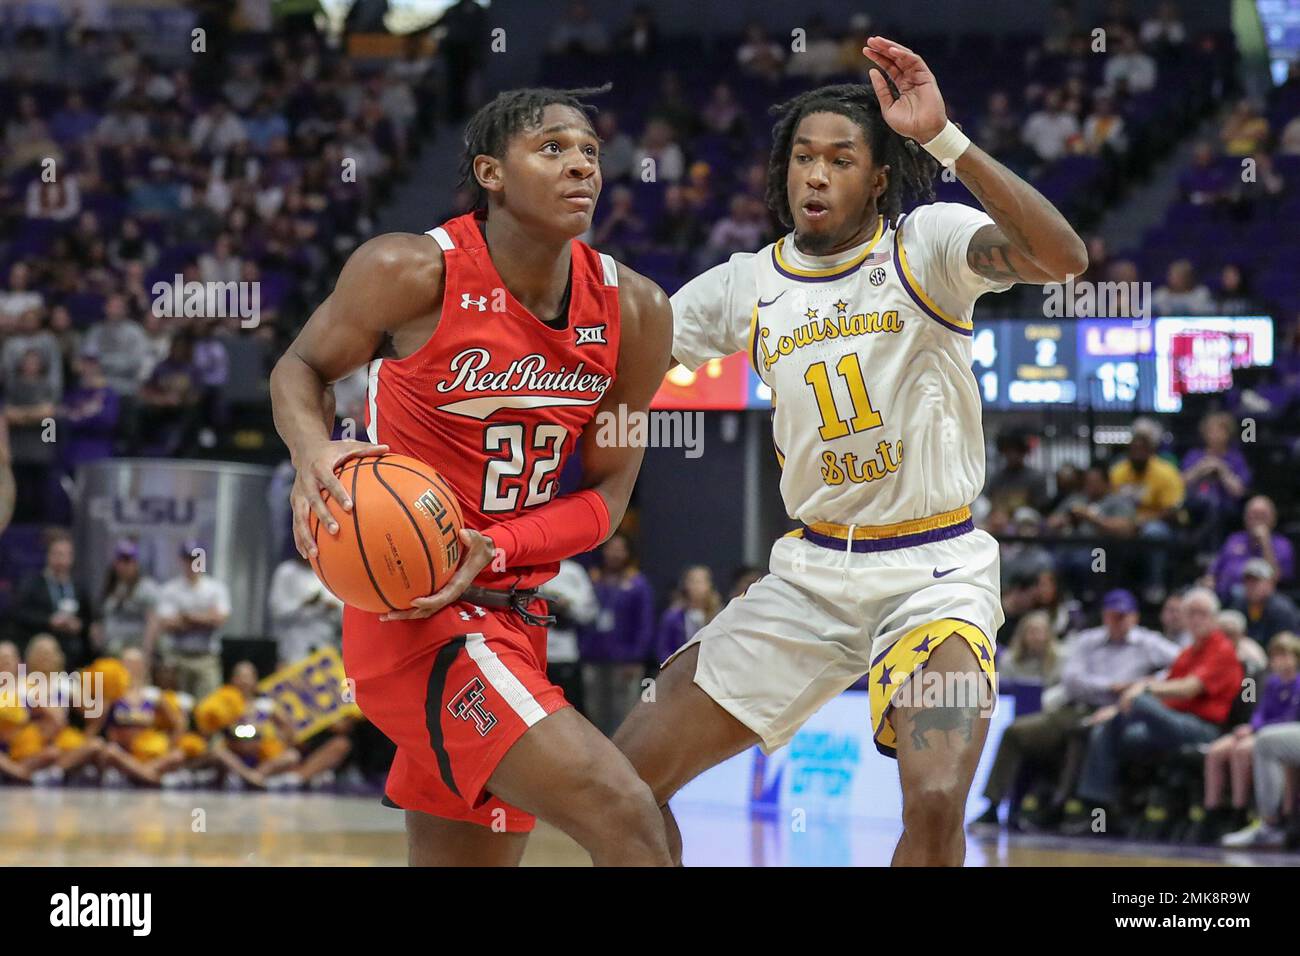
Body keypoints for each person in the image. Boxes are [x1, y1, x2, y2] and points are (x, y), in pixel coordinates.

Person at [614, 37, 1088, 867]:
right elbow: (617, 361)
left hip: (933, 572)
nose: (816, 174)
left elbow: (1062, 258)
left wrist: (946, 142)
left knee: (937, 798)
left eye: (840, 158)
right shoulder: (747, 284)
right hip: (809, 576)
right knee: (622, 783)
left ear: (877, 177)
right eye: (803, 157)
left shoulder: (927, 245)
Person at [269, 87, 674, 867]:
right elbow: (301, 366)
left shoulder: (638, 312)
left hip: (516, 618)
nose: (580, 166)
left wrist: (498, 541)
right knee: (626, 815)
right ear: (491, 171)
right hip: (413, 614)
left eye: (589, 150)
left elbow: (607, 498)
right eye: (552, 148)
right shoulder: (409, 268)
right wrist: (312, 453)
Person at [973, 590, 1178, 829]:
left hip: (1116, 714)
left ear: (1134, 617)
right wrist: (1110, 686)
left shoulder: (1148, 643)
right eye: (1113, 615)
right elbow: (1072, 679)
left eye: (1123, 616)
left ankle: (1063, 807)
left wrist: (1143, 684)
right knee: (1016, 732)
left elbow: (1182, 664)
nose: (1118, 620)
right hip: (1073, 708)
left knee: (1082, 735)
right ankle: (993, 806)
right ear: (1104, 615)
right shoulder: (1087, 640)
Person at [1070, 588, 1243, 829]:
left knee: (1139, 702)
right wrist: (1120, 709)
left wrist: (1141, 692)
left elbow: (1187, 689)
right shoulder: (1188, 653)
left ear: (1214, 618)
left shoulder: (1220, 650)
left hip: (1203, 728)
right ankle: (1099, 810)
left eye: (1201, 613)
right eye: (1190, 613)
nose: (1195, 619)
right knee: (1108, 730)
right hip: (1171, 723)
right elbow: (1164, 686)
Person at [1202, 631, 1300, 843]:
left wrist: (1256, 728)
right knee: (1216, 750)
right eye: (1276, 656)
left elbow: (1290, 716)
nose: (1280, 661)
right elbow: (1256, 709)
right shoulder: (1263, 680)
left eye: (1286, 655)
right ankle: (1215, 814)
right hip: (1256, 728)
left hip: (1275, 732)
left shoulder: (1265, 677)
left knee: (1245, 749)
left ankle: (1249, 815)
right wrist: (1251, 726)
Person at [1109, 418, 1184, 603]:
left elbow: (1173, 510)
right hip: (1124, 524)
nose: (1137, 454)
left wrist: (1143, 521)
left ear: (1152, 450)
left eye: (1143, 450)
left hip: (1160, 525)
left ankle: (1154, 585)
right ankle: (1110, 586)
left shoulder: (1166, 472)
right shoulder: (1118, 471)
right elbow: (1108, 502)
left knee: (1153, 533)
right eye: (1134, 449)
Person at [145, 540, 231, 700]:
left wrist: (187, 617)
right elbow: (166, 623)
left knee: (208, 706)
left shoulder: (215, 588)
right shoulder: (171, 589)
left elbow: (220, 619)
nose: (193, 563)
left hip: (206, 657)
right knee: (177, 705)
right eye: (190, 558)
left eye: (197, 557)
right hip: (178, 656)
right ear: (182, 560)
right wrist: (205, 618)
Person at [9, 533, 91, 667]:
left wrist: (79, 625)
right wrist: (49, 621)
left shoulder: (79, 587)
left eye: (66, 554)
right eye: (57, 554)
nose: (62, 560)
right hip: (40, 653)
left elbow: (88, 619)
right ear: (48, 555)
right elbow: (20, 614)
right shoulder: (33, 584)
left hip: (73, 656)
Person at [536, 559, 599, 718]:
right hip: (538, 651)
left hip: (566, 650)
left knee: (571, 707)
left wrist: (566, 604)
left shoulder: (574, 571)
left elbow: (589, 612)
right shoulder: (536, 567)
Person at [1209, 495, 1294, 601]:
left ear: (1273, 519)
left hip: (1258, 600)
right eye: (1253, 514)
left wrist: (1265, 543)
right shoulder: (1234, 539)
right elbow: (1214, 570)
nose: (1257, 519)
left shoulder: (1282, 544)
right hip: (1223, 593)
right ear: (1245, 517)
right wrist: (1209, 580)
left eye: (1262, 515)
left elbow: (1276, 578)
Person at [267, 551, 344, 666]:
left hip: (326, 643)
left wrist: (334, 607)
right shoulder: (286, 572)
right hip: (295, 645)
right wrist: (304, 604)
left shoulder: (329, 570)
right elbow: (277, 611)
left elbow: (344, 613)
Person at [94, 539, 161, 657]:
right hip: (110, 648)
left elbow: (153, 622)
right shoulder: (110, 586)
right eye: (120, 560)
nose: (124, 565)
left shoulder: (146, 587)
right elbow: (101, 617)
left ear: (135, 563)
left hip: (135, 649)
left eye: (128, 561)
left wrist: (146, 652)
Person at [1228, 558, 1300, 647]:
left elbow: (1285, 644)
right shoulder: (1239, 604)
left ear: (1271, 583)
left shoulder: (1282, 609)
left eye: (1256, 581)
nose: (1251, 586)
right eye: (1248, 581)